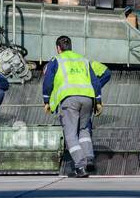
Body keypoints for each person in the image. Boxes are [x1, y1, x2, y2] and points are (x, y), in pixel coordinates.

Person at [42, 36, 111, 177]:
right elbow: (95, 82)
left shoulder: (56, 60)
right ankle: (89, 159)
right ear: (70, 47)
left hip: (69, 99)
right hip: (87, 98)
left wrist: (46, 99)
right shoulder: (83, 60)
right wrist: (98, 100)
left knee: (70, 134)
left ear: (58, 48)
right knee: (84, 129)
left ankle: (80, 166)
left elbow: (48, 81)